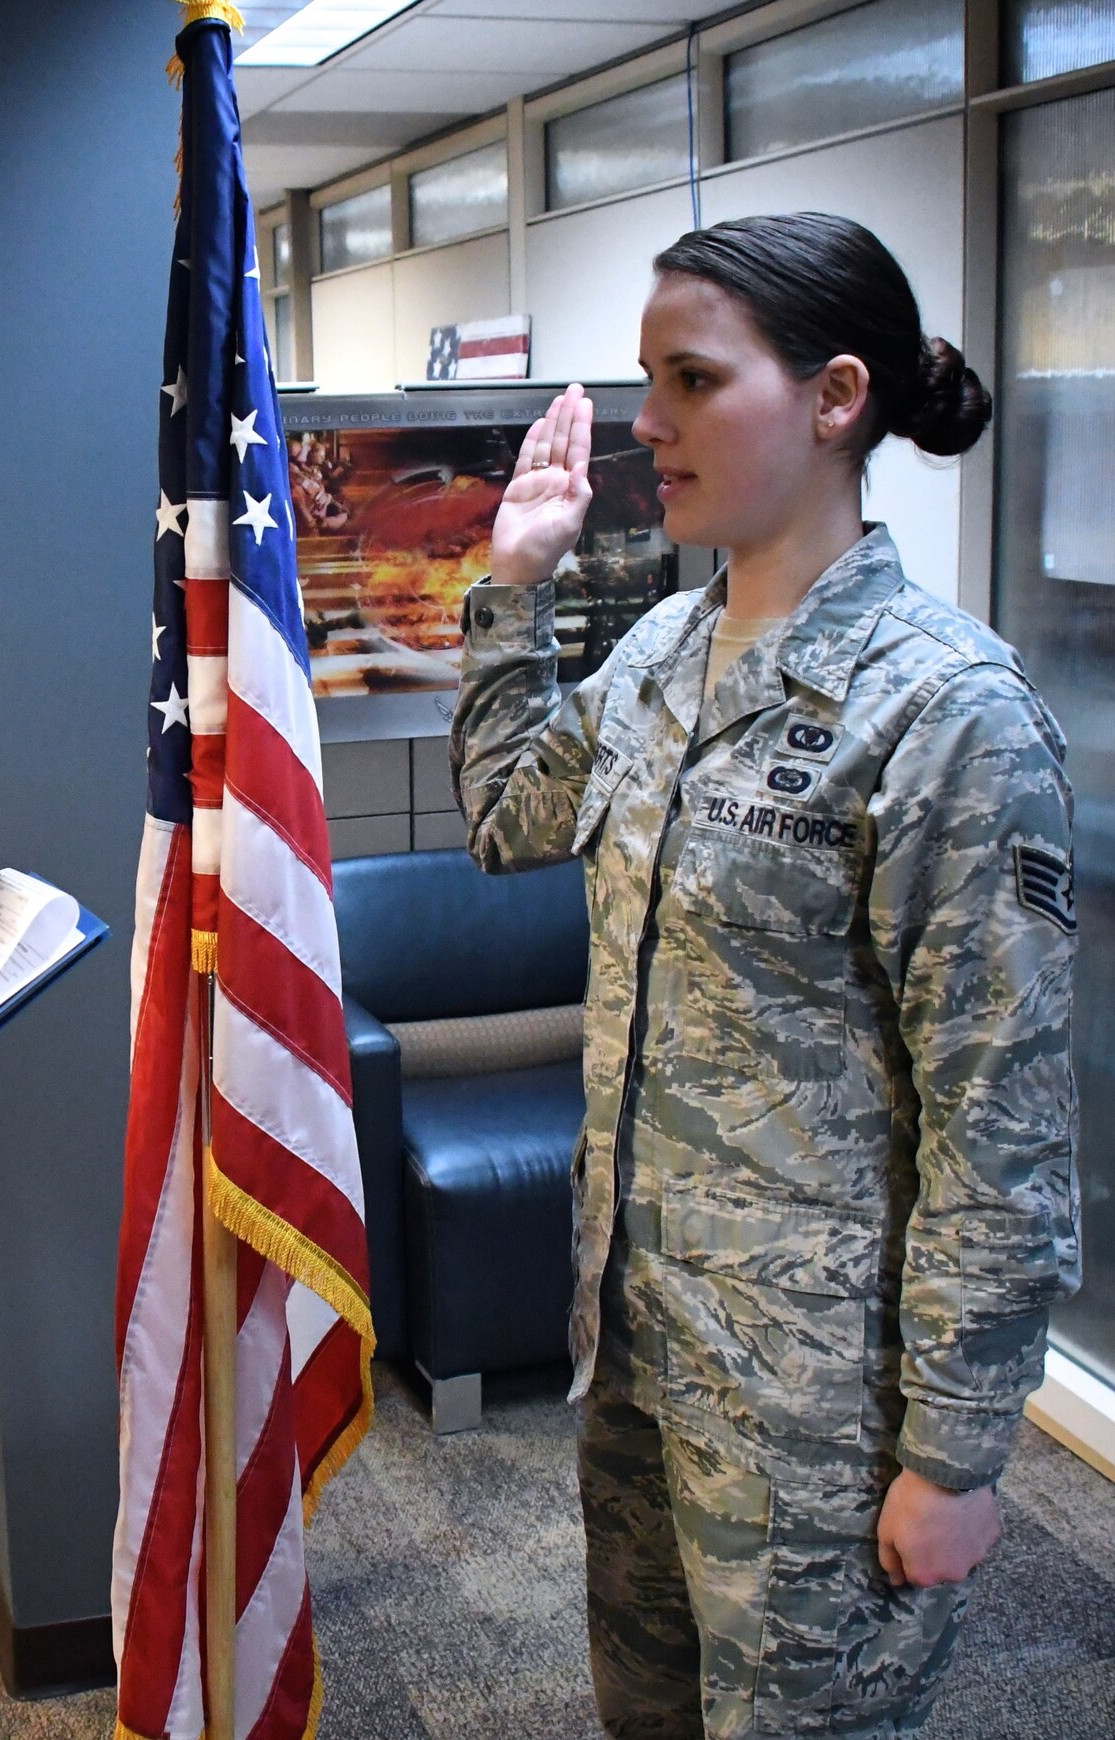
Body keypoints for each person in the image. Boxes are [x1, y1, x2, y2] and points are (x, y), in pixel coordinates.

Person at [450, 213, 1078, 1738]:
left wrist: (960, 1453)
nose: (646, 425)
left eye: (690, 380)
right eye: (644, 380)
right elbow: (504, 820)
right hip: (640, 1351)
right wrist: (510, 588)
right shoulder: (666, 649)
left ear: (835, 395)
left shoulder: (947, 713)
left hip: (821, 1408)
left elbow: (1000, 1123)